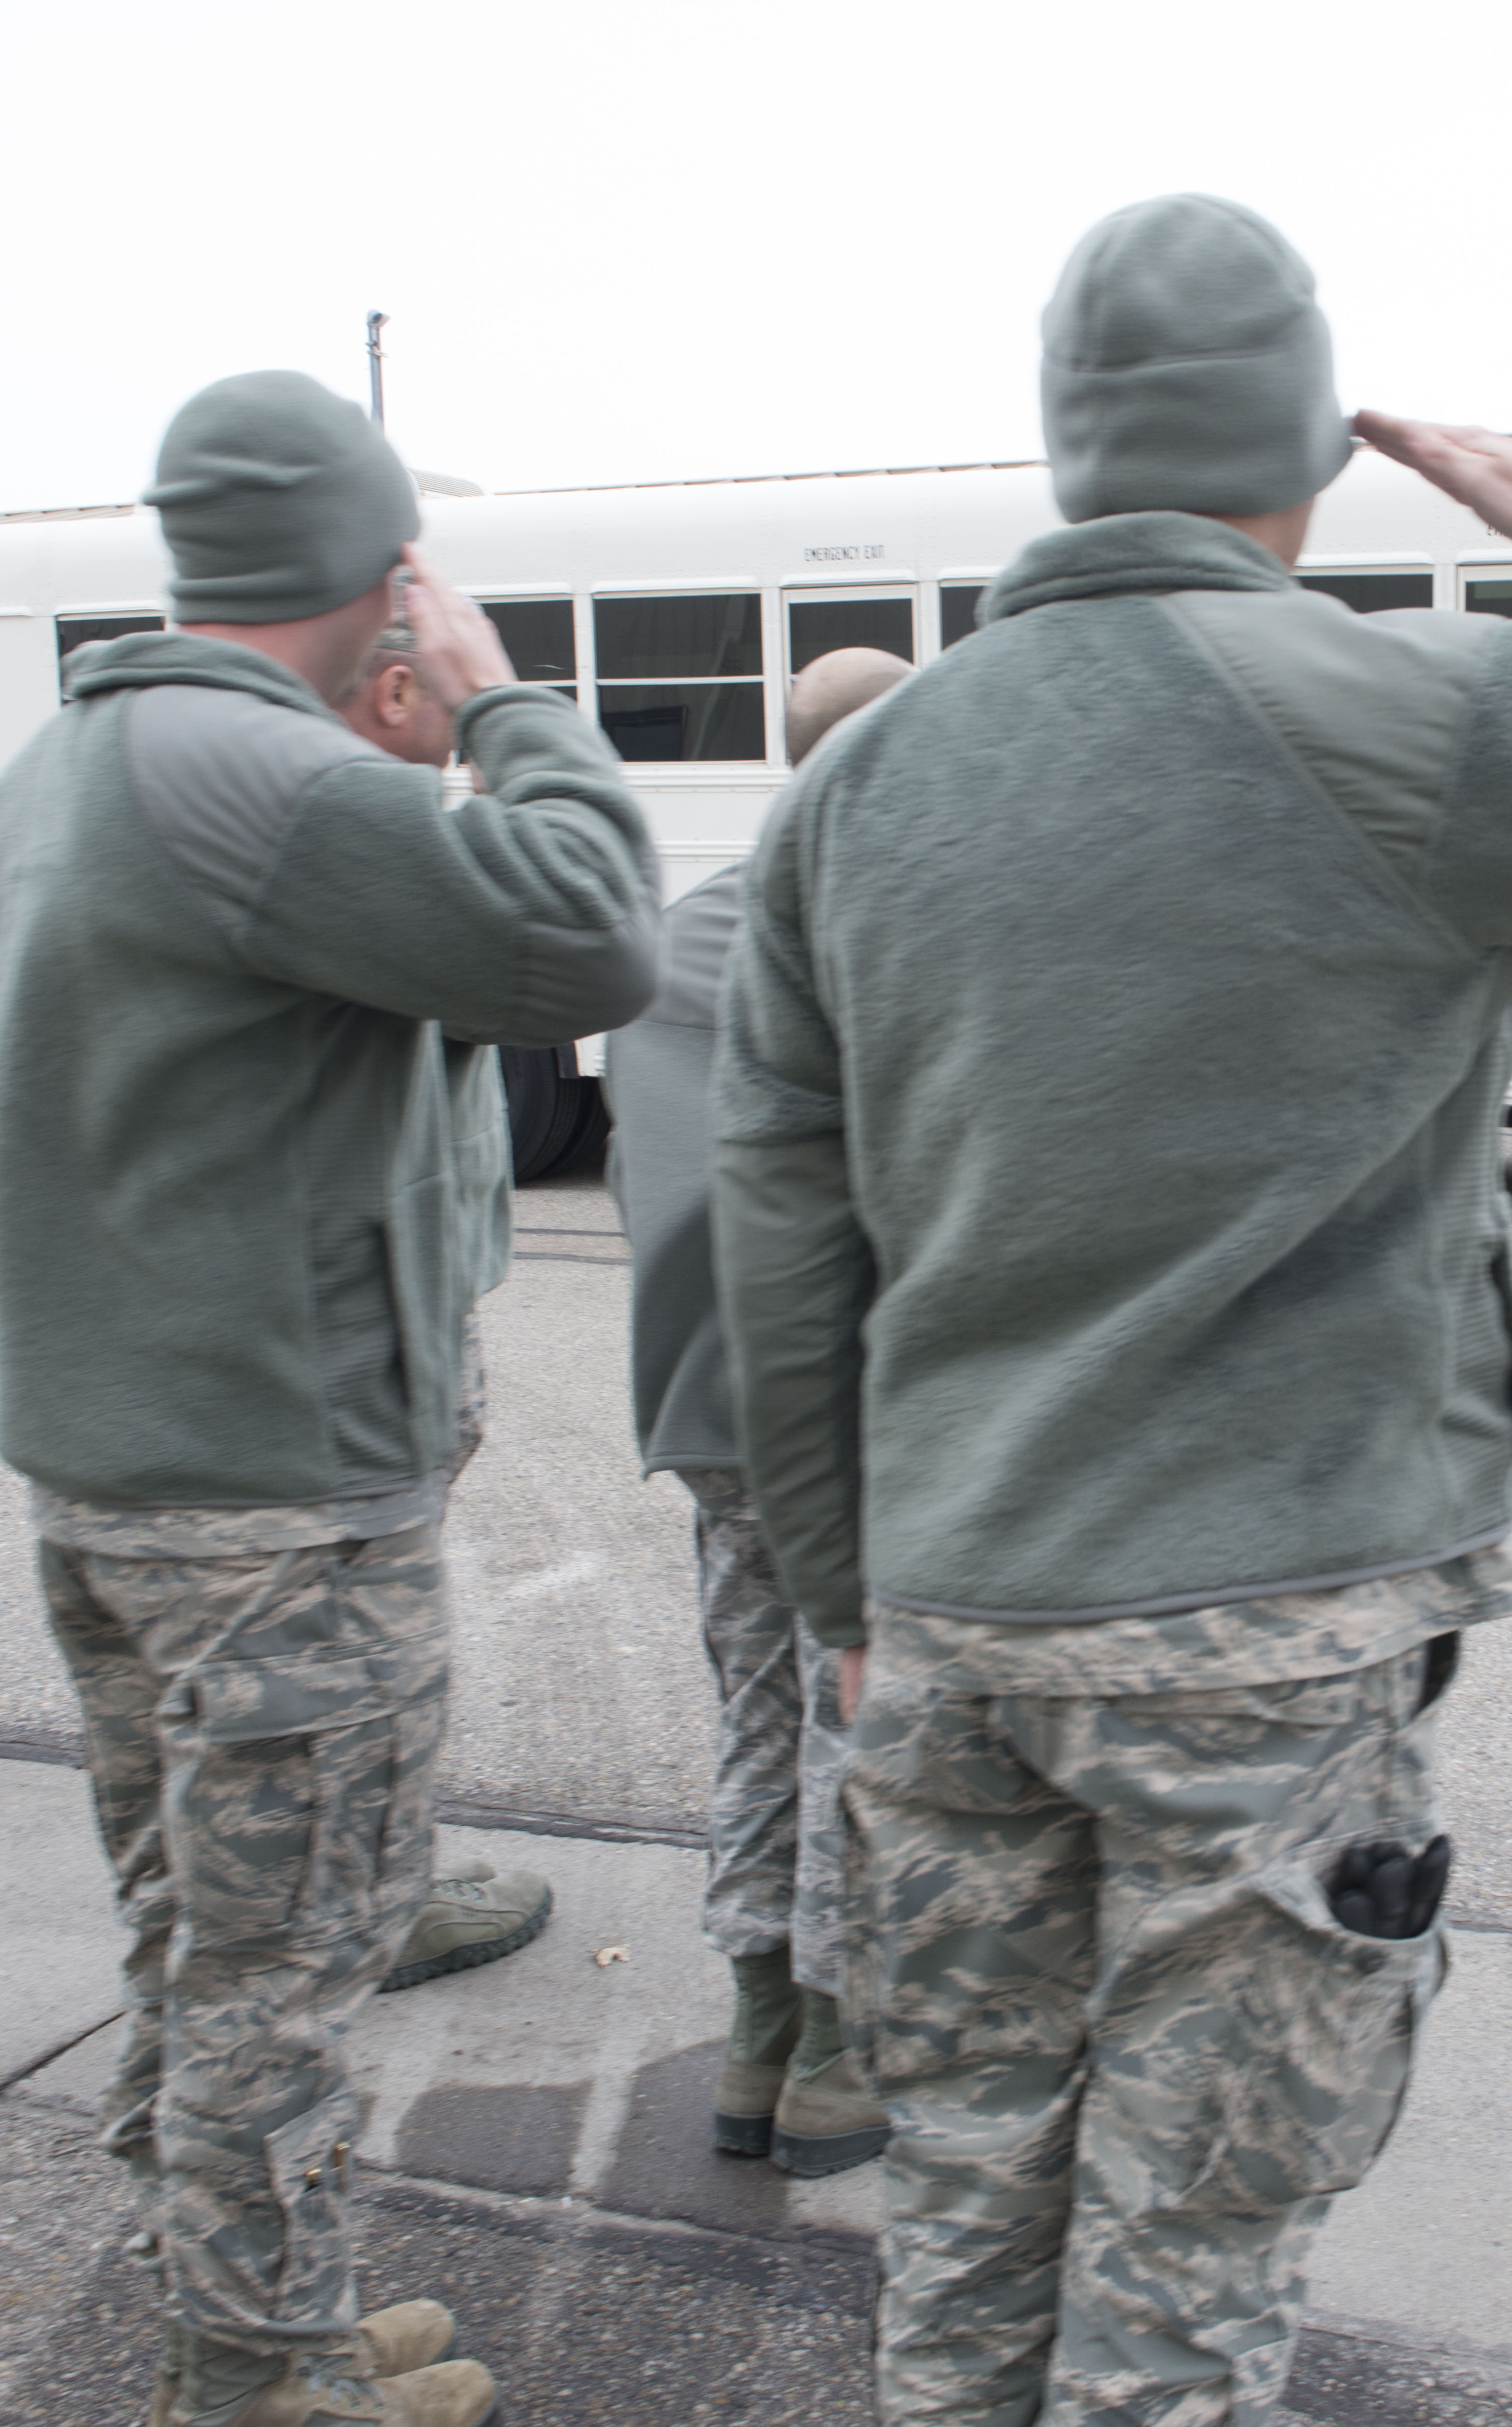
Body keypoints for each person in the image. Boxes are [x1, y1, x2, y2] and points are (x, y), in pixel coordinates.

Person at [711, 194, 1512, 2426]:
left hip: (948, 1627)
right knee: (1182, 2283)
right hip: (1260, 1646)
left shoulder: (861, 785)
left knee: (968, 2229)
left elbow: (781, 1225)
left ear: (1069, 447)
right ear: (1310, 447)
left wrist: (840, 1592)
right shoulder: (1401, 711)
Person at [0, 369, 660, 2427]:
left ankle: (254, 2314)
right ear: (376, 569)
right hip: (274, 1516)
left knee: (198, 1936)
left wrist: (111, 1368)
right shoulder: (273, 784)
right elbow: (590, 937)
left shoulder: (51, 779)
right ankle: (262, 2379)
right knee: (287, 1974)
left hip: (111, 1487)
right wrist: (505, 700)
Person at [603, 644, 910, 2181]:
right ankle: (844, 2054)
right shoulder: (891, 926)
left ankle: (751, 2035)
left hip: (703, 1405)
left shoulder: (681, 935)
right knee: (856, 1720)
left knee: (751, 1714)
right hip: (849, 1411)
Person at [329, 617, 559, 2001]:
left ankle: (366, 1874)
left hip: (362, 1304)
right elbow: (564, 929)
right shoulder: (362, 834)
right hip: (377, 1332)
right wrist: (506, 722)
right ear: (400, 688)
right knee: (370, 1625)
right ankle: (380, 1896)